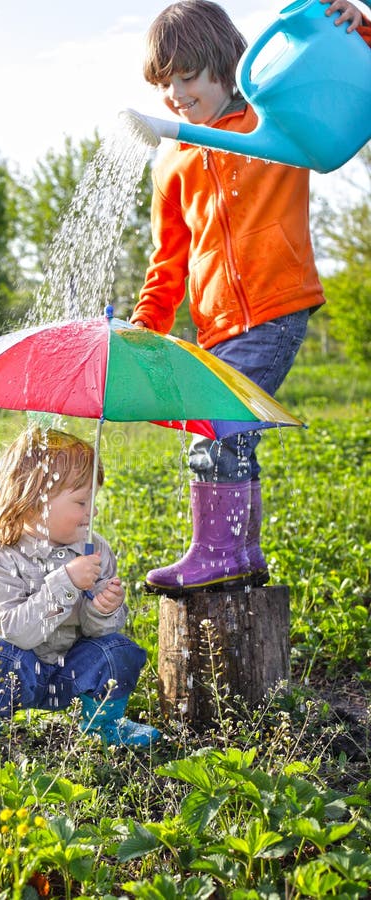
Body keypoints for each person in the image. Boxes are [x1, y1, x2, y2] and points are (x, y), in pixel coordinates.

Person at [130, 0, 371, 596]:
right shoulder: (173, 161)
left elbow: (350, 76)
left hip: (276, 307)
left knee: (219, 427)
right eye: (166, 85)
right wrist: (145, 328)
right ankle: (237, 553)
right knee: (224, 430)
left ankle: (222, 552)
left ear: (224, 65)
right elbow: (169, 261)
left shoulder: (277, 125)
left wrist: (360, 24)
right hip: (215, 325)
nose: (177, 96)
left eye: (188, 77)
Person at [0, 426, 160, 763]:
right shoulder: (3, 558)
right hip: (20, 668)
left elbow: (97, 633)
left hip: (69, 671)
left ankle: (105, 722)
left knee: (116, 650)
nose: (93, 513)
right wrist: (67, 582)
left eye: (93, 501)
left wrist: (103, 608)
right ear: (33, 503)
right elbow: (15, 630)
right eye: (80, 502)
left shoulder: (95, 550)